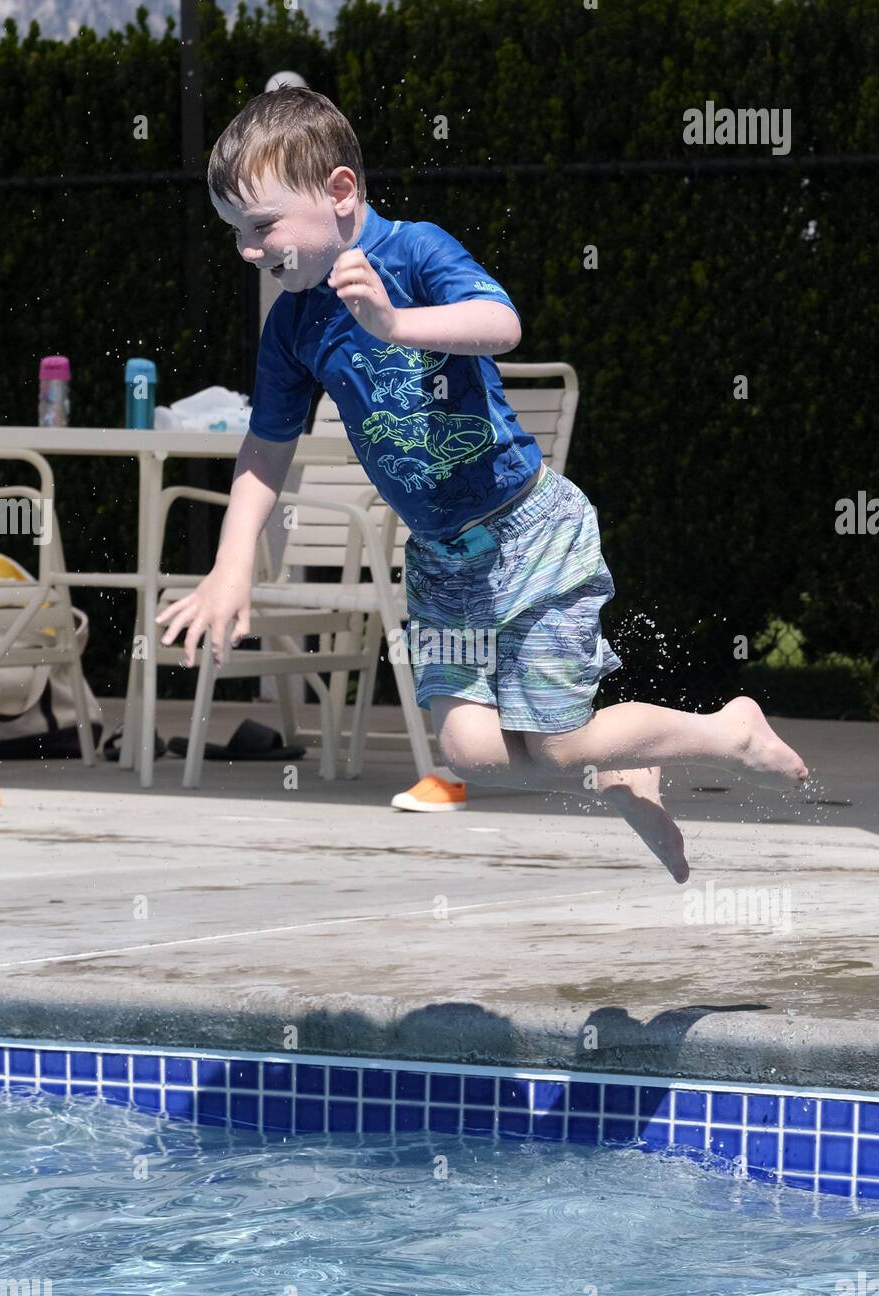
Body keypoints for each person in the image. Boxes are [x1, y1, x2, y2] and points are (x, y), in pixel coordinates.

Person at [157, 87, 808, 882]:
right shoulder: (291, 326)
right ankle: (624, 762)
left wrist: (392, 324)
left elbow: (500, 325)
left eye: (261, 227)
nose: (250, 251)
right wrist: (231, 565)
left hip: (530, 533)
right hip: (442, 562)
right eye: (235, 235)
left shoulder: (415, 253)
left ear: (338, 192)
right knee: (466, 750)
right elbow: (266, 446)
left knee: (559, 738)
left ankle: (726, 731)